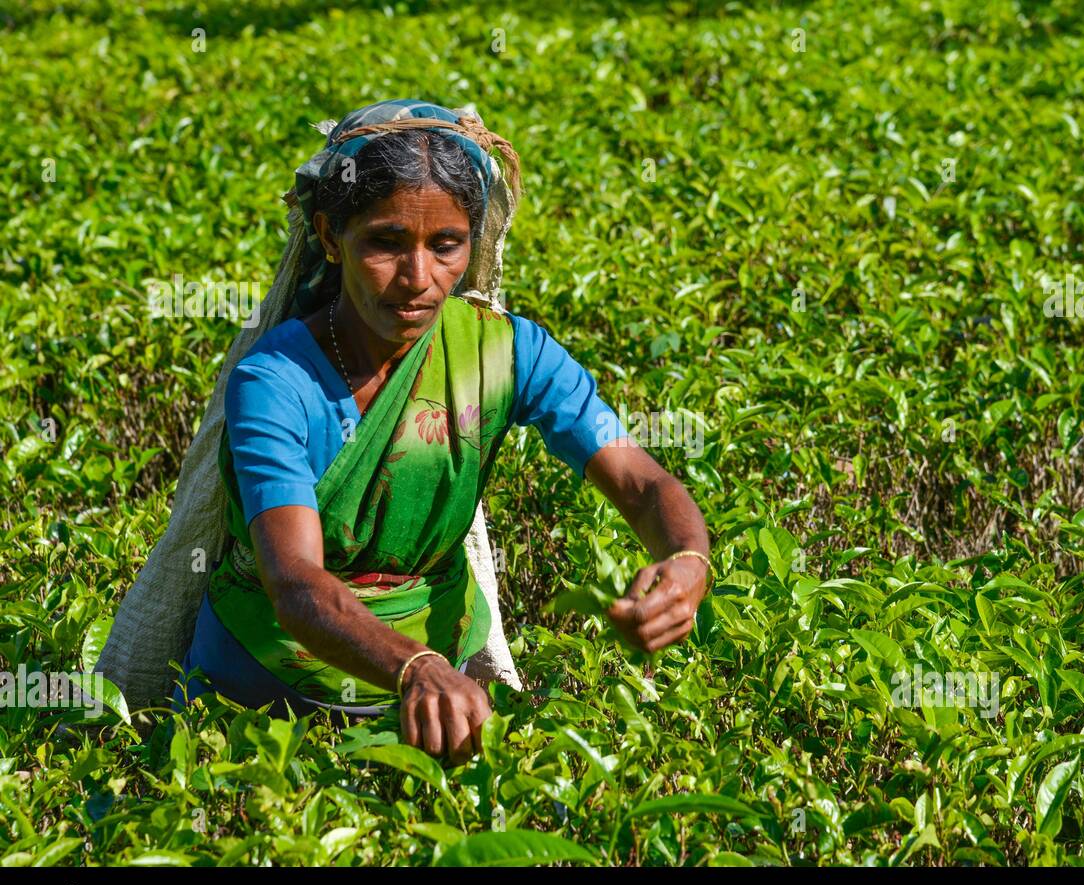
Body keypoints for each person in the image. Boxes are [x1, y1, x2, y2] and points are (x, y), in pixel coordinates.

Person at [166, 98, 713, 766]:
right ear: (332, 237)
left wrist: (686, 560)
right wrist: (414, 664)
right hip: (260, 709)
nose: (418, 279)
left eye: (445, 245)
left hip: (443, 700)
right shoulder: (278, 381)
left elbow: (640, 479)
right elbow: (297, 585)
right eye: (386, 242)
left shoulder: (504, 353)